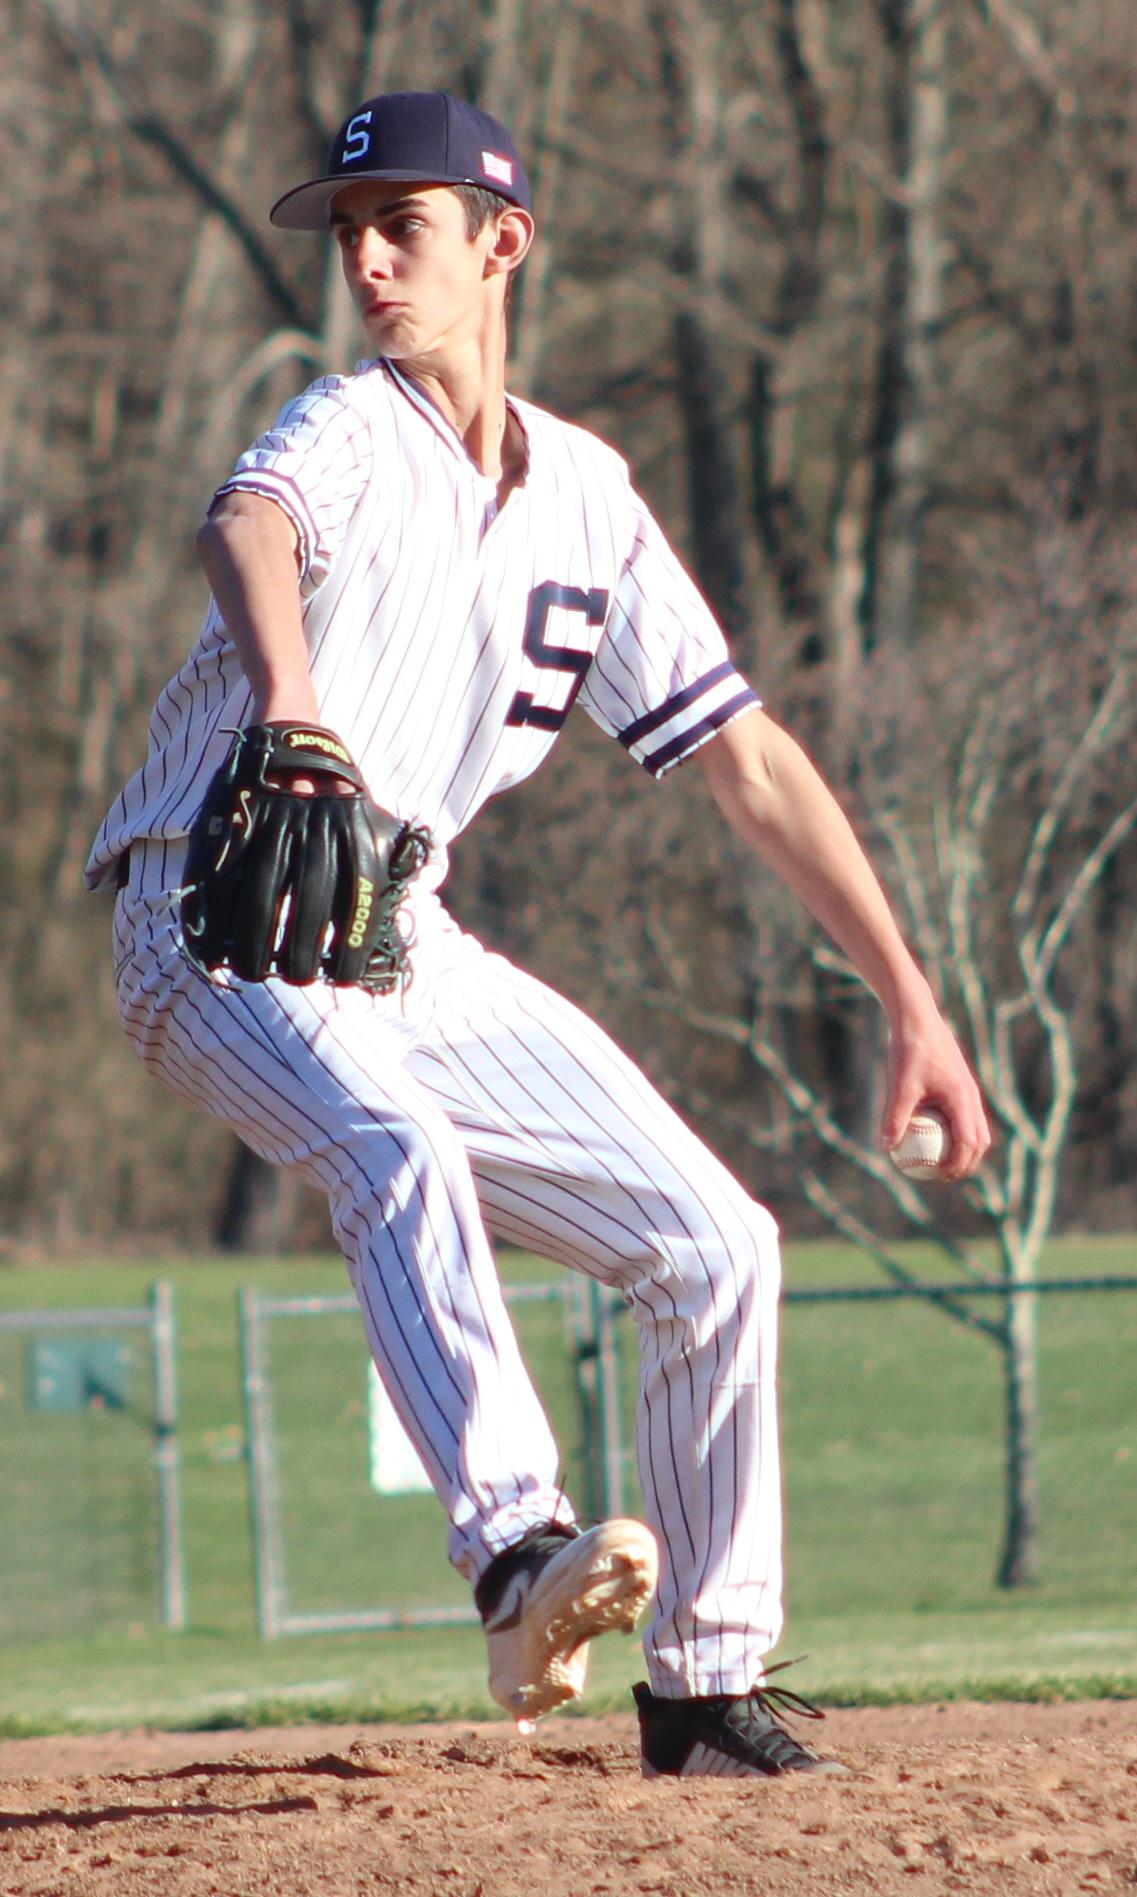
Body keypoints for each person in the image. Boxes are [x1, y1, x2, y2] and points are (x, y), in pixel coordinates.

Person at [86, 91, 990, 1779]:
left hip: (388, 923)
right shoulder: (350, 430)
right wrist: (293, 702)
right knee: (395, 1139)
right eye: (345, 226)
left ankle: (707, 1688)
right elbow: (247, 524)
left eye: (399, 222)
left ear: (501, 243)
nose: (362, 254)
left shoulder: (583, 494)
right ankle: (516, 1556)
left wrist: (912, 1001)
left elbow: (749, 759)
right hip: (209, 903)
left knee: (712, 1242)